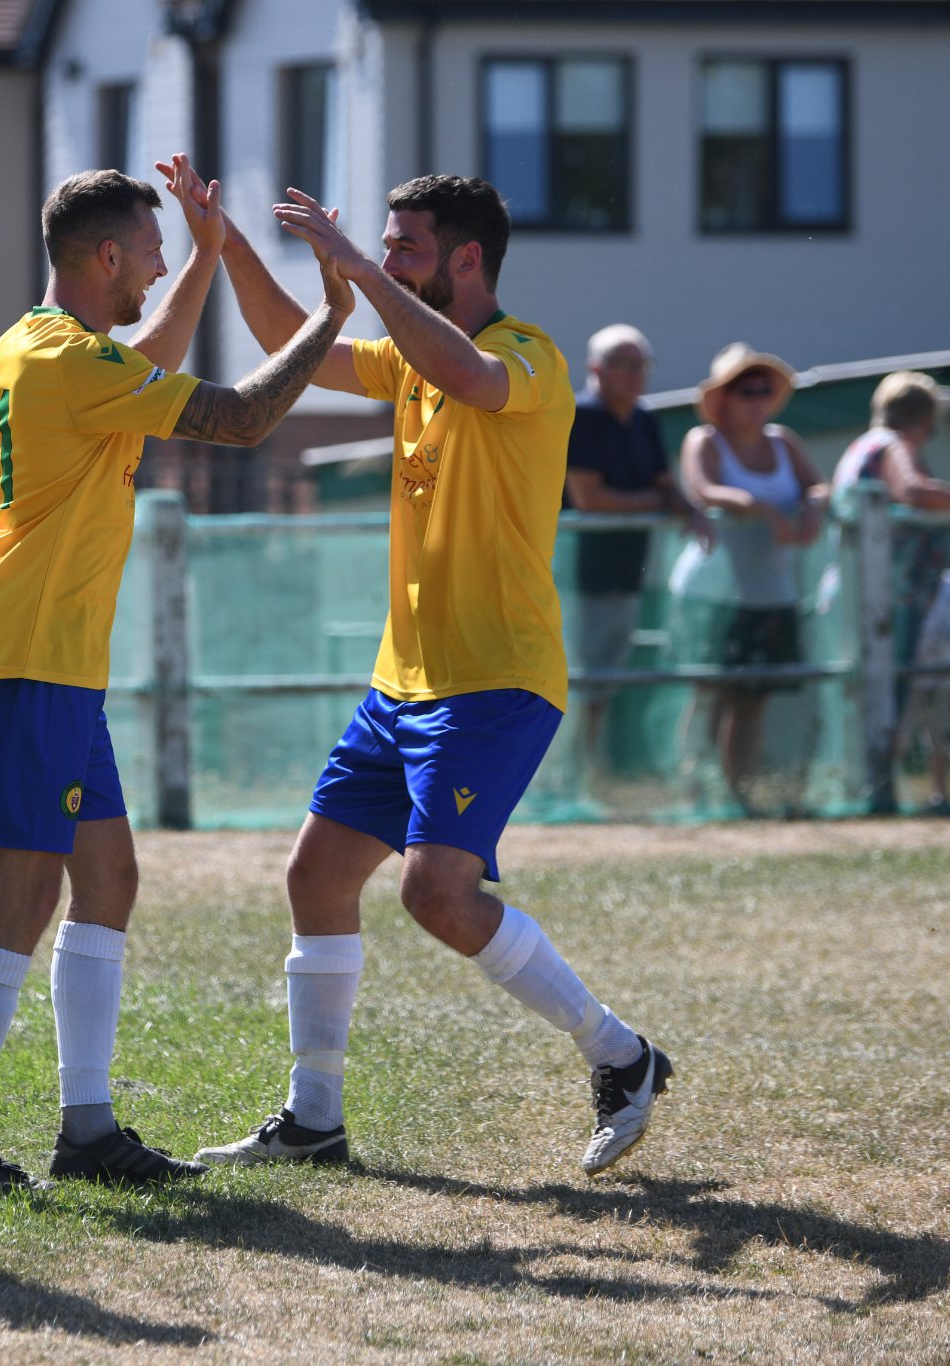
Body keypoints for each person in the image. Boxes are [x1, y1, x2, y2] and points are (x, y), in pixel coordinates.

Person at [182, 175, 670, 1178]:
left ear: (465, 260)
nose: (386, 256)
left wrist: (360, 275)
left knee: (434, 893)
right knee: (314, 876)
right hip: (399, 684)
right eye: (385, 244)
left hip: (492, 680)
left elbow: (470, 376)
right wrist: (225, 243)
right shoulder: (409, 356)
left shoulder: (523, 354)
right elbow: (297, 346)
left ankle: (620, 1055)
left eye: (405, 246)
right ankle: (312, 1119)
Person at [0, 159, 350, 1196]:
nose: (153, 270)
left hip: (51, 658)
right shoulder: (69, 363)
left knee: (105, 880)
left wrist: (198, 254)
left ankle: (87, 1129)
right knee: (21, 897)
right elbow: (236, 417)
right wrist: (326, 318)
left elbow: (147, 356)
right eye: (146, 253)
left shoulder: (41, 342)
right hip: (26, 655)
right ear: (105, 256)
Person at [676, 344, 829, 813]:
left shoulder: (783, 441)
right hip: (714, 593)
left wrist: (814, 507)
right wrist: (763, 509)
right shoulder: (704, 440)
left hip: (770, 593)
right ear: (724, 396)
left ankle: (740, 795)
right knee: (711, 695)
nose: (757, 399)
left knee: (753, 698)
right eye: (746, 389)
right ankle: (696, 788)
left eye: (764, 389)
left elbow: (817, 486)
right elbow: (705, 489)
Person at [563, 325, 707, 772]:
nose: (633, 375)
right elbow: (591, 498)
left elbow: (665, 485)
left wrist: (686, 508)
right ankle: (569, 774)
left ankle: (591, 770)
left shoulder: (644, 418)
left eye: (640, 365)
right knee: (577, 678)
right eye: (622, 365)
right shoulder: (582, 415)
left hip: (626, 572)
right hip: (575, 576)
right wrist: (655, 502)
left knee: (607, 677)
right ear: (595, 369)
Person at [831, 371, 950, 808]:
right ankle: (880, 793)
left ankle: (880, 789)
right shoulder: (891, 445)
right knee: (893, 696)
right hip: (885, 599)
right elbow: (912, 490)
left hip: (866, 594)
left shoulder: (861, 445)